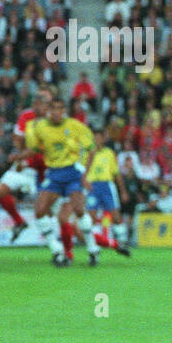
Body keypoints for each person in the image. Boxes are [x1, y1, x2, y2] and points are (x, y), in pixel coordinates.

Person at [20, 96, 101, 267]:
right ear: (49, 110)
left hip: (72, 171)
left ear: (64, 110)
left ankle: (93, 249)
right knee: (39, 210)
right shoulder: (40, 127)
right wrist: (18, 157)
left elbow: (91, 150)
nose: (57, 112)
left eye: (60, 108)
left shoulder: (75, 126)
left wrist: (84, 175)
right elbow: (34, 149)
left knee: (79, 210)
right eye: (53, 108)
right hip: (54, 174)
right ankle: (57, 250)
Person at [0, 87, 51, 241]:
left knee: (49, 210)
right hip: (26, 165)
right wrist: (23, 158)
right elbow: (17, 139)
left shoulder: (55, 119)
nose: (40, 104)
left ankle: (61, 244)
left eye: (44, 100)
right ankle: (19, 221)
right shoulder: (27, 116)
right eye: (38, 100)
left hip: (47, 169)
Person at [83, 129, 133, 257]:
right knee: (91, 218)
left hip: (106, 185)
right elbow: (83, 172)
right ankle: (95, 247)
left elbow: (116, 174)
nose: (97, 140)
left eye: (99, 137)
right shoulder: (87, 154)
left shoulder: (109, 153)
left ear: (103, 139)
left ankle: (122, 242)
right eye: (94, 138)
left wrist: (123, 191)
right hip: (92, 187)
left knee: (115, 215)